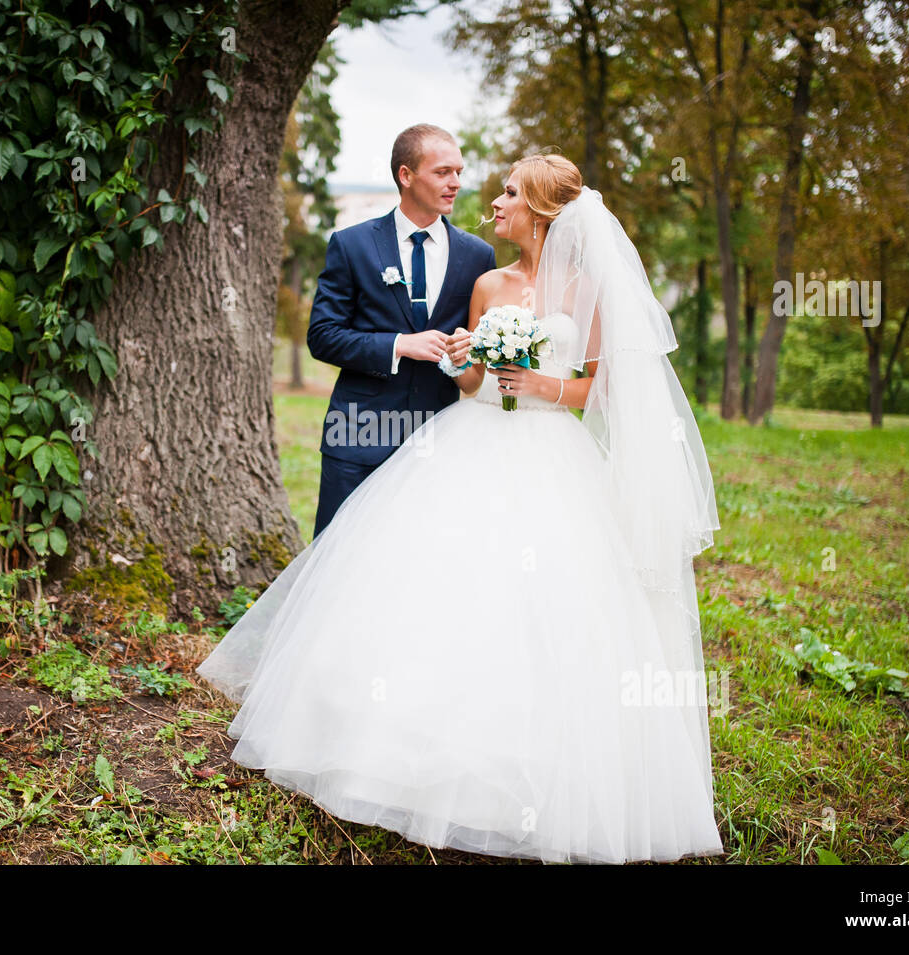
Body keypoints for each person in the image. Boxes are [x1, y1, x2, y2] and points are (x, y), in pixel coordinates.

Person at [196, 153, 724, 864]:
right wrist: (461, 355)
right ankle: (405, 752)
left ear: (541, 207)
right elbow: (473, 380)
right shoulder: (487, 281)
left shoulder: (588, 290)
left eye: (508, 192)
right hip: (472, 440)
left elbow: (603, 390)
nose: (493, 201)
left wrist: (539, 384)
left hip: (553, 456)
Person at [305, 123, 498, 537]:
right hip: (357, 436)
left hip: (438, 441)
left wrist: (467, 348)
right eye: (443, 172)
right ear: (405, 176)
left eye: (459, 172)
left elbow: (475, 356)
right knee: (338, 562)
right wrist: (398, 345)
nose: (456, 183)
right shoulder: (351, 244)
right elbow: (322, 335)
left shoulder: (478, 255)